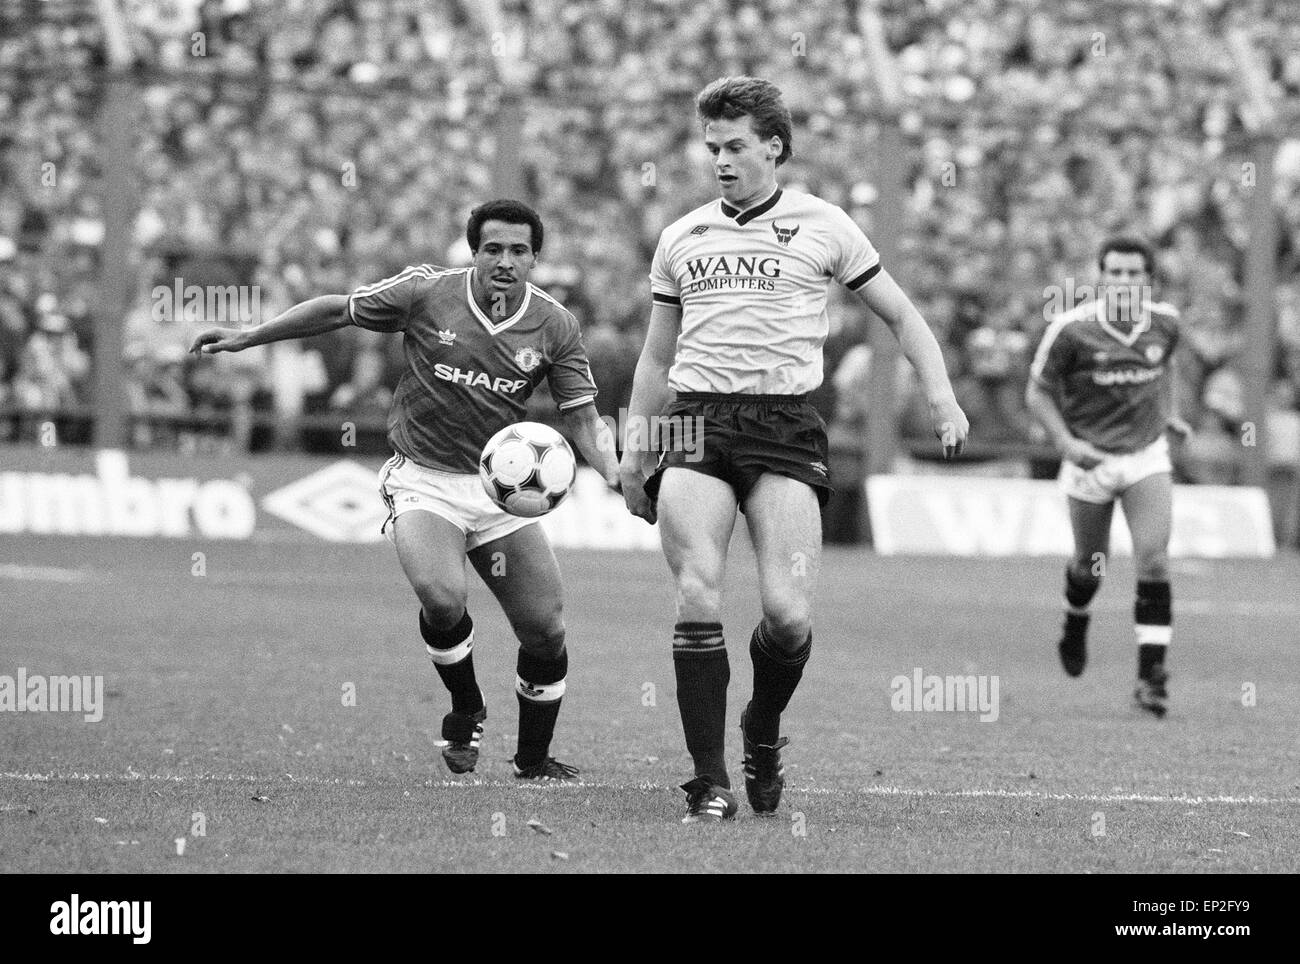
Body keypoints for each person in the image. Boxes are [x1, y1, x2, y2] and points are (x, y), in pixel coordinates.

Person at [619, 77, 969, 823]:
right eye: (712, 147)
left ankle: (762, 729)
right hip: (695, 419)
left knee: (787, 614)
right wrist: (632, 450)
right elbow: (655, 359)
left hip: (785, 422)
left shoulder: (826, 225)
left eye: (735, 146)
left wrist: (940, 395)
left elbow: (902, 316)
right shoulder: (682, 236)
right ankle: (708, 780)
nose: (720, 160)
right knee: (694, 591)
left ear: (773, 146)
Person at [192, 199, 620, 779]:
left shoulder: (555, 326)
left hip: (502, 493)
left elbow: (582, 417)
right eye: (493, 248)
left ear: (535, 259)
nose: (505, 261)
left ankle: (533, 757)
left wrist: (616, 474)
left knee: (546, 630)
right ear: (474, 252)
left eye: (519, 251)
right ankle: (466, 705)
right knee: (443, 598)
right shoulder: (426, 292)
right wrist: (252, 336)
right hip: (424, 481)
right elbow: (337, 310)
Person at [1025, 237, 1190, 717]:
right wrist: (1066, 443)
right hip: (1089, 461)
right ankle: (1076, 621)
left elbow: (1169, 366)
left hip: (1144, 456)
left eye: (1133, 273)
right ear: (1100, 278)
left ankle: (1151, 678)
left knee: (1154, 561)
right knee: (1089, 565)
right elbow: (1037, 393)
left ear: (1148, 280)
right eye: (1114, 273)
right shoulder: (1071, 331)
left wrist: (1171, 413)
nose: (1123, 281)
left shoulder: (1166, 324)